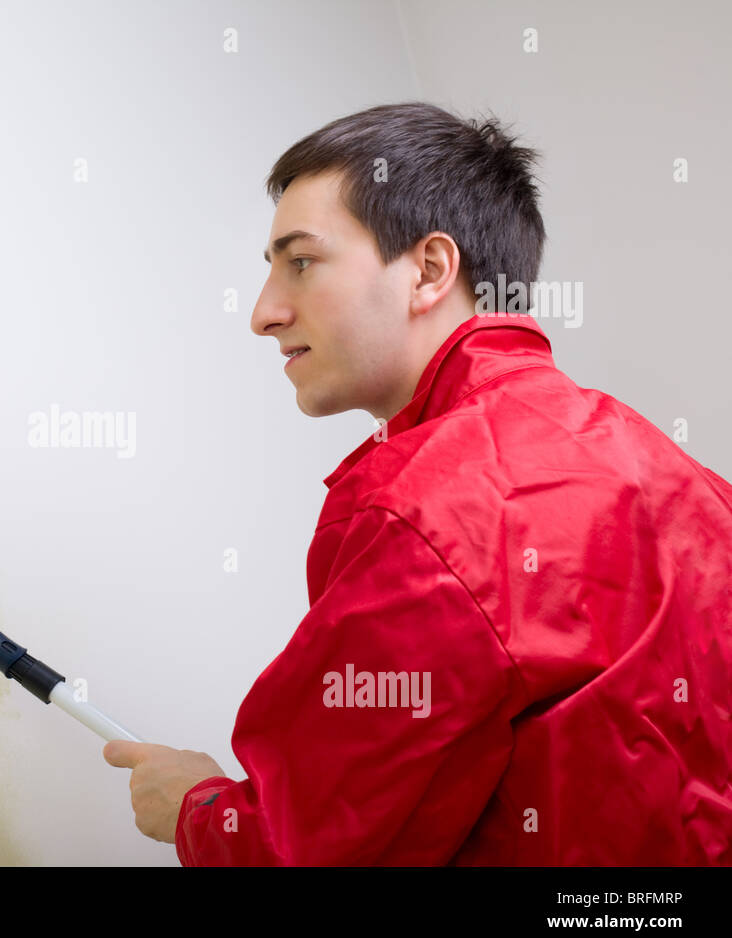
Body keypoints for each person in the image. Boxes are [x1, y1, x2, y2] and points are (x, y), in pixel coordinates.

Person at [104, 102, 732, 865]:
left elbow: (311, 852)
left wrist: (198, 810)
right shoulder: (686, 477)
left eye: (299, 261)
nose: (264, 313)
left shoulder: (430, 510)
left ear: (430, 271)